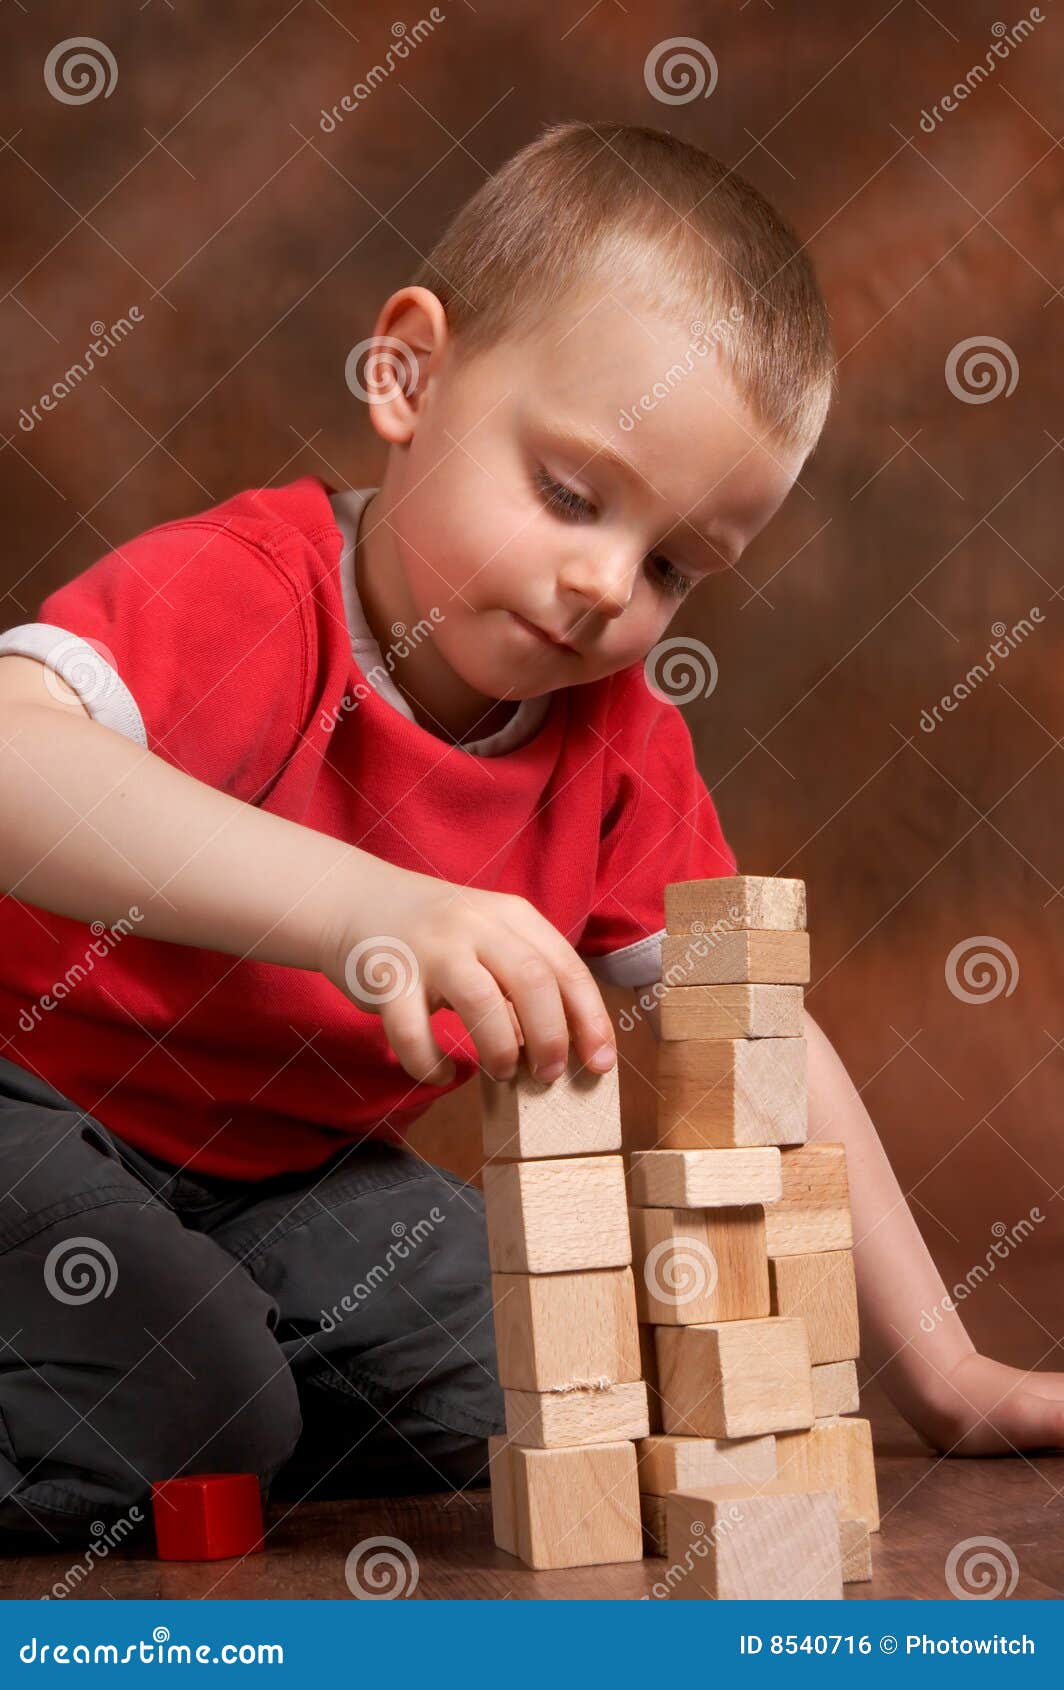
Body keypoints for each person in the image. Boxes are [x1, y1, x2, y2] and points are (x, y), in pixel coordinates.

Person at [0, 120, 1059, 1549]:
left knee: (562, 1377)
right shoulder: (252, 595)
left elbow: (752, 1029)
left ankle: (191, 1376)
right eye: (570, 494)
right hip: (34, 1094)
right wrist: (373, 908)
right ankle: (191, 1393)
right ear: (411, 374)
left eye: (674, 564)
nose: (602, 585)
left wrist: (944, 1369)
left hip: (281, 1180)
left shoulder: (615, 739)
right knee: (198, 1400)